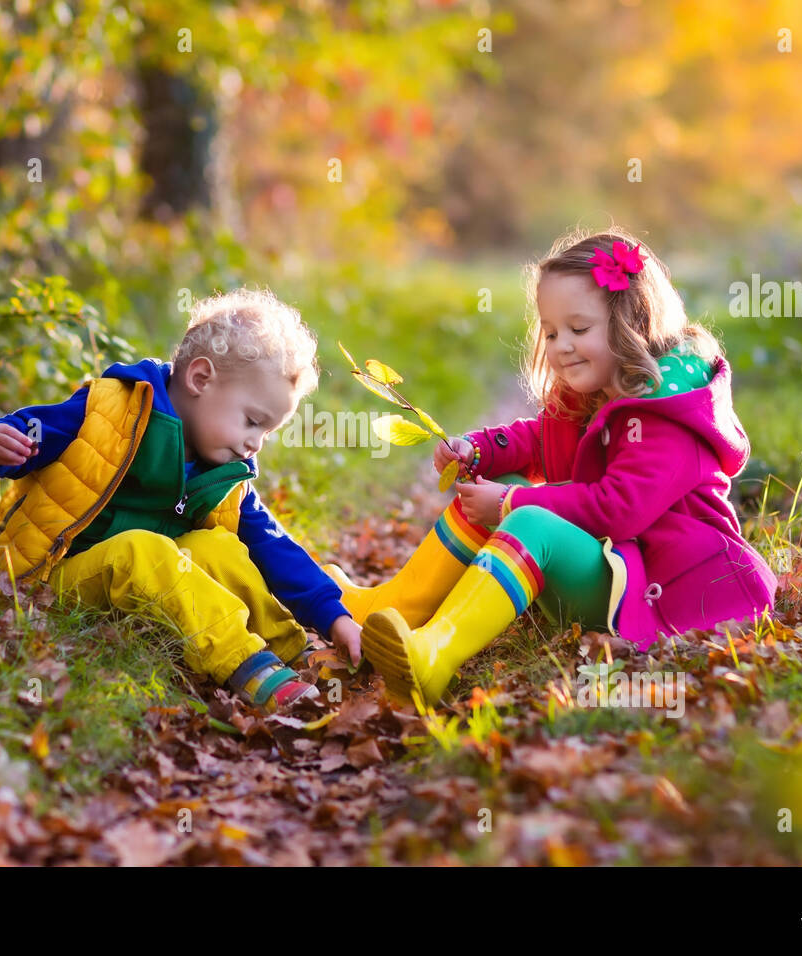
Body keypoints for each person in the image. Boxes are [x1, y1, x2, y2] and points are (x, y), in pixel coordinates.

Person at [325, 228, 778, 708]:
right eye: (551, 331)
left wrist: (510, 502)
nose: (562, 346)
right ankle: (392, 606)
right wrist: (478, 450)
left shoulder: (667, 418)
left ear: (632, 323)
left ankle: (435, 654)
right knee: (503, 488)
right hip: (616, 570)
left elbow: (618, 509)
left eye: (578, 330)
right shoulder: (592, 391)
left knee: (528, 518)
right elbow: (540, 440)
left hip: (664, 590)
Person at [0, 288, 361, 713]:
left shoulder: (225, 472)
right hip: (50, 577)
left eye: (267, 433)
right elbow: (32, 432)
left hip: (140, 591)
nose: (255, 444)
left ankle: (290, 651)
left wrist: (333, 615)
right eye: (252, 422)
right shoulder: (110, 412)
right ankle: (248, 665)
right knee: (143, 549)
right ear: (200, 379)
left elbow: (274, 548)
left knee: (217, 546)